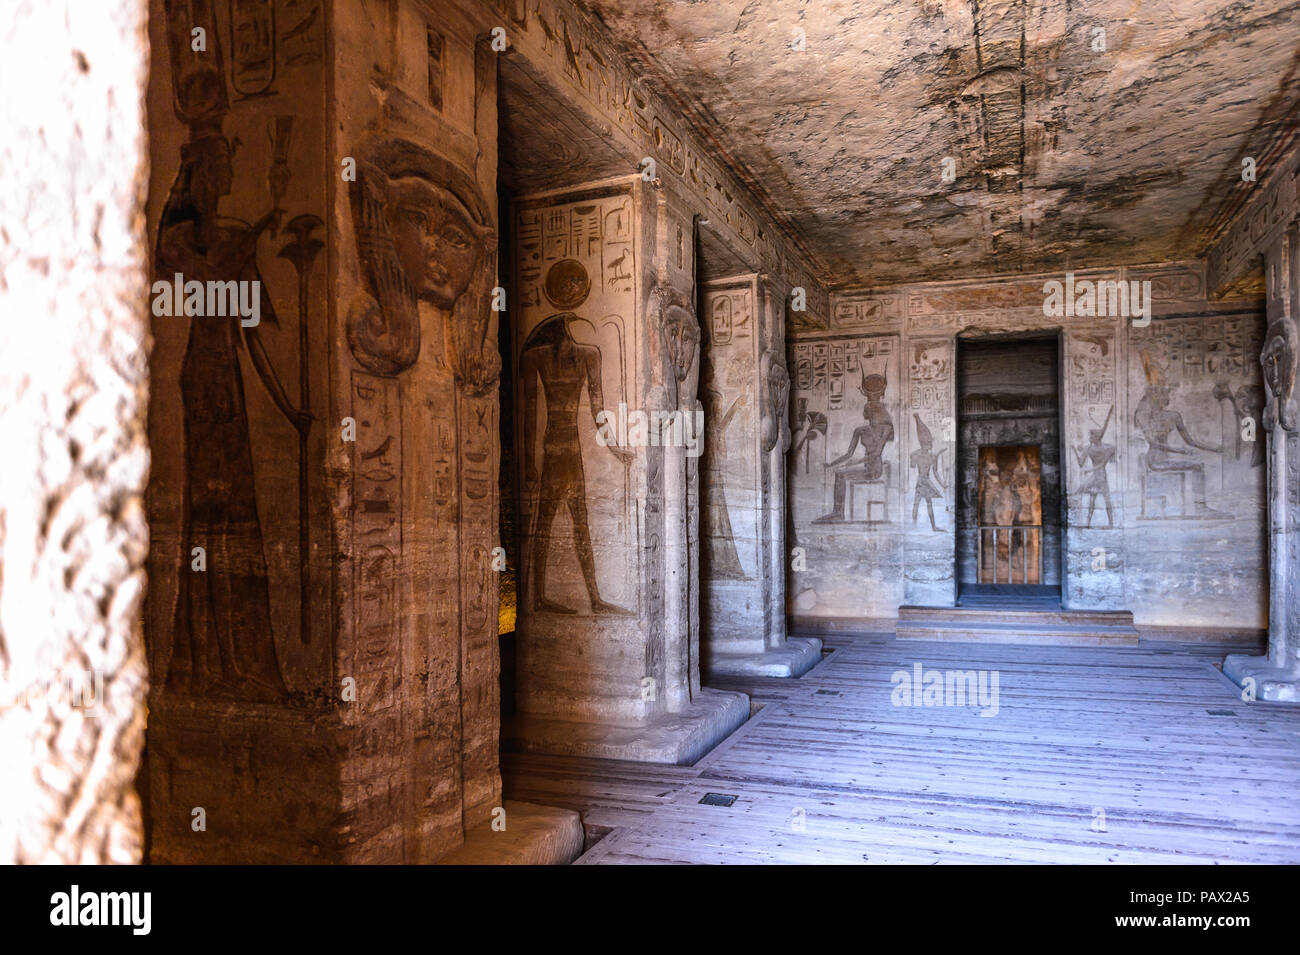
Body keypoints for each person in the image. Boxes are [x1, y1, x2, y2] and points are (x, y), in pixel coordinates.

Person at [522, 259, 634, 615]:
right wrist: (616, 448)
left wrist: (616, 449)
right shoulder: (583, 355)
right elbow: (593, 411)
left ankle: (583, 598)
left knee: (559, 522)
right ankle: (563, 598)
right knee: (565, 522)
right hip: (561, 449)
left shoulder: (561, 355)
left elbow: (532, 415)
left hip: (557, 448)